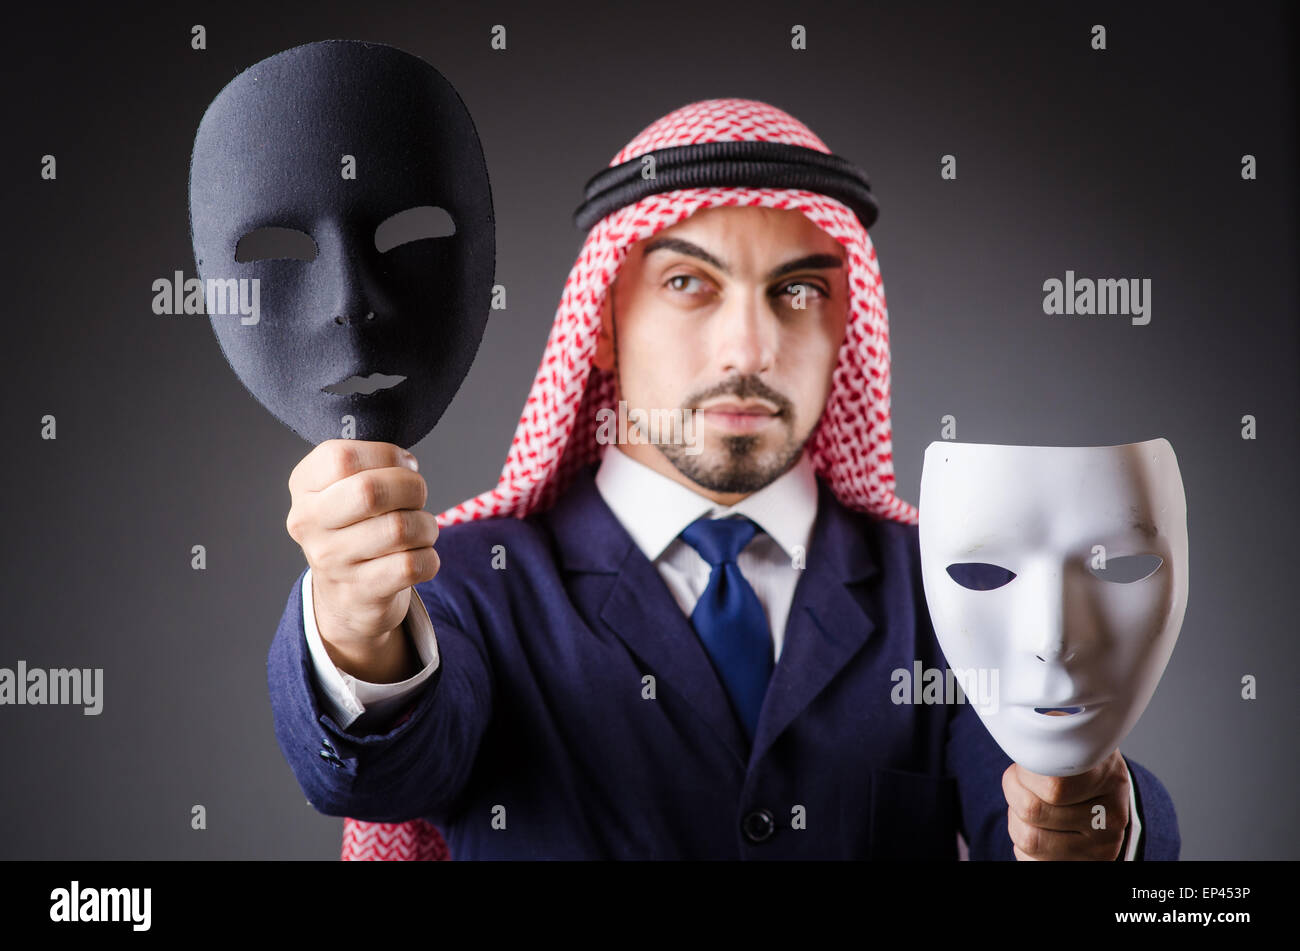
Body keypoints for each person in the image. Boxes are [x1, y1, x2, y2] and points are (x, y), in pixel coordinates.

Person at [268, 98, 1180, 861]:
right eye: (688, 285)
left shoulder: (940, 586)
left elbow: (1042, 798)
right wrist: (354, 623)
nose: (750, 349)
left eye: (799, 291)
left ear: (845, 330)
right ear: (600, 324)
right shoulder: (469, 583)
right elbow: (382, 773)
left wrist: (1085, 814)